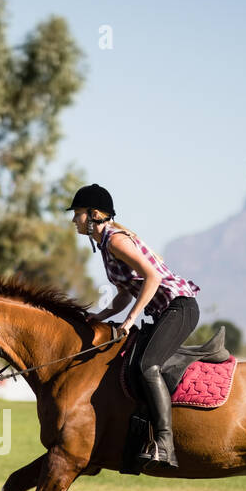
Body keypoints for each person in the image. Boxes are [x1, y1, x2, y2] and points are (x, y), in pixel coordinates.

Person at [70, 183, 201, 468]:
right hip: (165, 311)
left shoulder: (116, 240)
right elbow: (124, 294)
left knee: (146, 366)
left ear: (92, 214)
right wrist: (100, 316)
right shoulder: (106, 244)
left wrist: (130, 320)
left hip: (179, 307)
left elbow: (152, 277)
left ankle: (165, 444)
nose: (73, 220)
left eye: (77, 213)